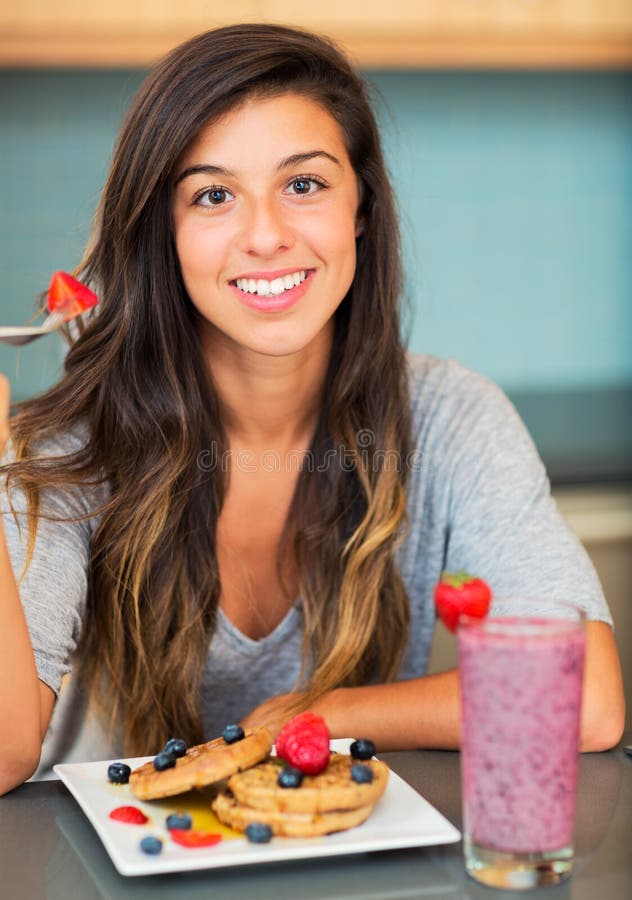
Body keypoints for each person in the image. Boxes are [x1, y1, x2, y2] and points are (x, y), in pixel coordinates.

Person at [0, 24, 624, 794]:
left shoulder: (451, 418)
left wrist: (316, 713)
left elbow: (585, 701)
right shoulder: (70, 447)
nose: (266, 236)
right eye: (214, 195)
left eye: (304, 184)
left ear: (360, 205)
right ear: (165, 232)